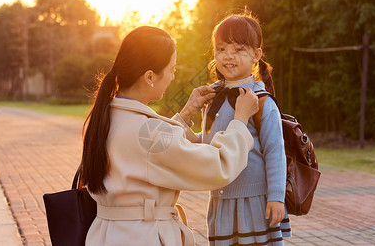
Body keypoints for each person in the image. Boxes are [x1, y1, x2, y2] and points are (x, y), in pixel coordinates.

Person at [80, 25, 259, 246]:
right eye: (172, 69)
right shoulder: (148, 132)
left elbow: (148, 151)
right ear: (149, 77)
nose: (173, 76)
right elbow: (218, 165)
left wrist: (185, 114)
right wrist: (240, 121)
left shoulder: (105, 118)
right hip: (143, 236)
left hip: (105, 234)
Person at [180, 12, 292, 245]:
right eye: (221, 49)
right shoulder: (212, 97)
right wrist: (187, 129)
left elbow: (275, 152)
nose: (228, 56)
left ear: (256, 55)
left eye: (239, 49)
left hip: (255, 202)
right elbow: (213, 142)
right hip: (221, 200)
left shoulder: (261, 101)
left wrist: (276, 197)